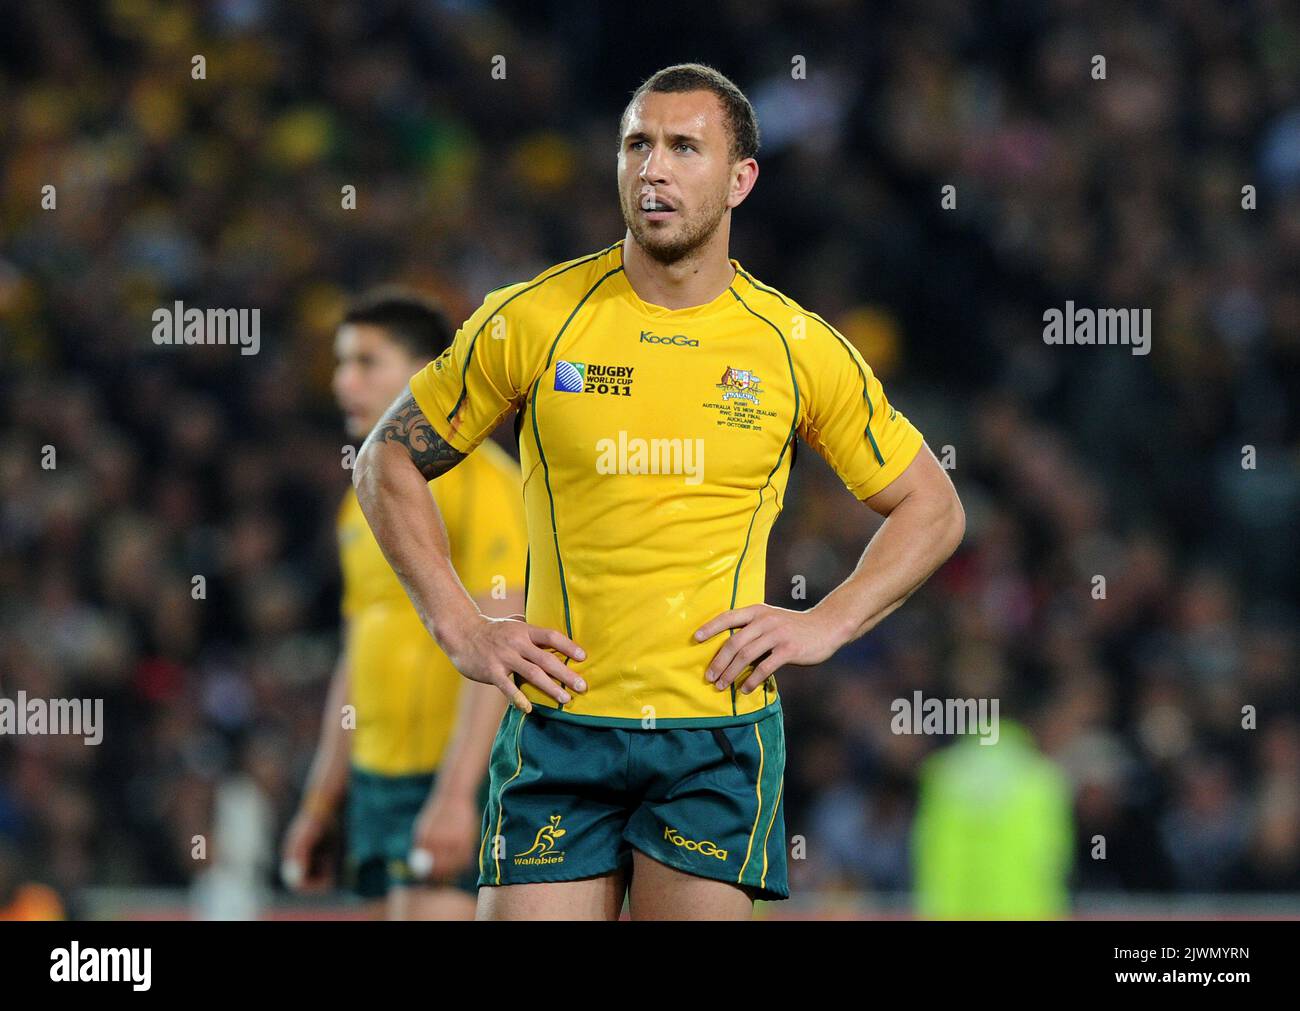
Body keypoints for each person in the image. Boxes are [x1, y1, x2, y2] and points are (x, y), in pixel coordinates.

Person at [352, 64, 964, 920]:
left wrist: (827, 620)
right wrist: (459, 625)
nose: (654, 168)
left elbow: (932, 505)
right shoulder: (534, 318)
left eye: (684, 147)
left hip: (714, 736)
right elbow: (385, 460)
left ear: (740, 178)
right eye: (637, 144)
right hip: (559, 722)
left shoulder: (793, 346)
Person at [282, 290, 528, 919]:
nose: (345, 383)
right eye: (342, 364)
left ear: (425, 375)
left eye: (367, 362)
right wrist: (321, 801)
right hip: (374, 782)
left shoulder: (487, 485)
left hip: (446, 778)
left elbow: (504, 648)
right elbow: (357, 654)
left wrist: (455, 795)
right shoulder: (359, 500)